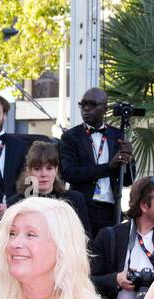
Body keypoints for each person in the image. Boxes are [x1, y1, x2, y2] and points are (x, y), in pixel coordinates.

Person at [59, 87, 132, 236]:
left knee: (108, 254)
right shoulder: (70, 137)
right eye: (83, 104)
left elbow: (128, 180)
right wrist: (108, 167)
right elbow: (69, 173)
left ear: (105, 108)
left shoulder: (118, 135)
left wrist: (129, 159)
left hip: (111, 209)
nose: (86, 109)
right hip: (82, 207)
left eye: (92, 104)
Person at [6, 140, 90, 231]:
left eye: (49, 168)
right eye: (37, 169)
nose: (44, 174)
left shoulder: (75, 200)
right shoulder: (15, 203)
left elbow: (85, 238)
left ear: (56, 170)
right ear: (28, 171)